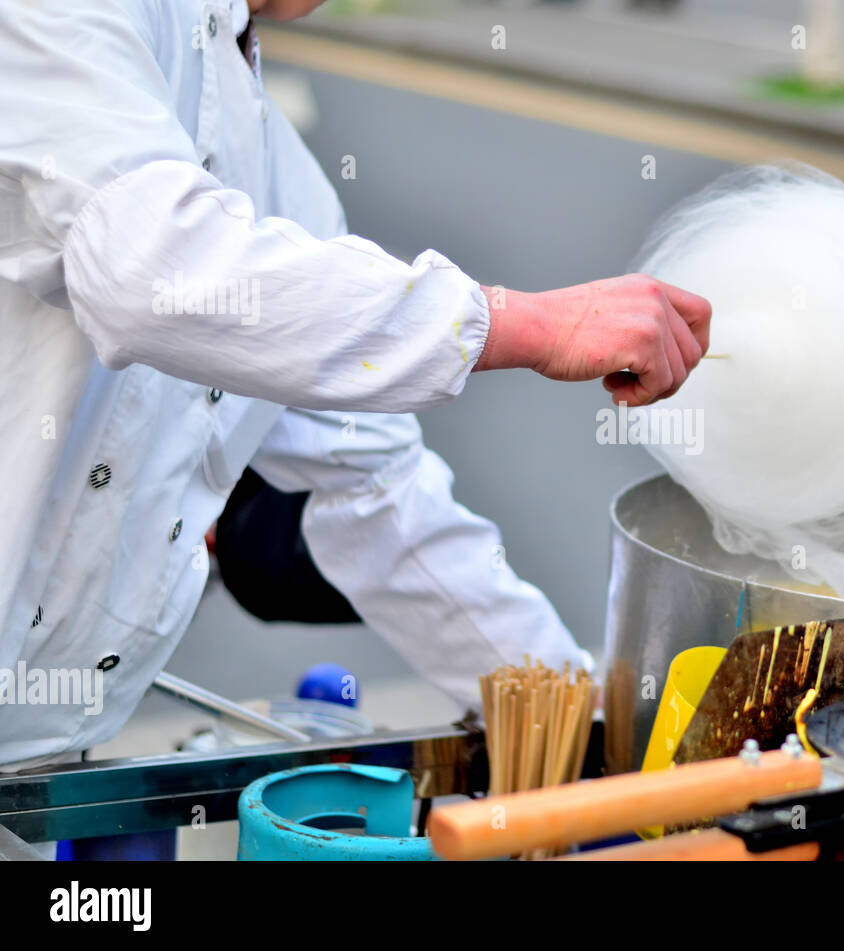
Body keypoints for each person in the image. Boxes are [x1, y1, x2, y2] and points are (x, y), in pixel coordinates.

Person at [0, 0, 711, 771]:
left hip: (42, 747)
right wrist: (527, 326)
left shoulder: (261, 145)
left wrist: (580, 714)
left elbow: (375, 486)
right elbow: (151, 268)